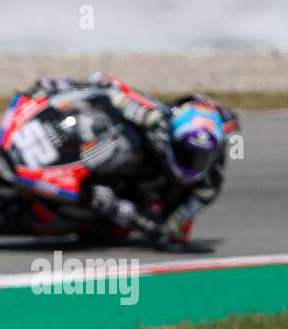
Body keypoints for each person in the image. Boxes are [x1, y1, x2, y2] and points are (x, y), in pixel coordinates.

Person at [23, 73, 238, 244]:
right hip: (137, 167)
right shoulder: (162, 117)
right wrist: (58, 86)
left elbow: (171, 228)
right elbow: (108, 84)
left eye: (202, 157)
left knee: (114, 231)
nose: (195, 161)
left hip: (144, 205)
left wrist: (120, 209)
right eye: (189, 153)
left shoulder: (206, 187)